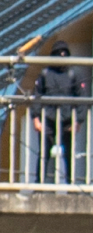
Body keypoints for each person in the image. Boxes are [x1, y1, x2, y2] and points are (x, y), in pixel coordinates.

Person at [32, 40, 85, 184]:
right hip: (48, 119)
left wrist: (78, 120)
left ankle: (72, 185)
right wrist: (36, 118)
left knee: (69, 155)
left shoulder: (73, 74)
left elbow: (82, 98)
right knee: (43, 154)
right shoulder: (45, 74)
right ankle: (39, 184)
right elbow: (37, 96)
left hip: (67, 120)